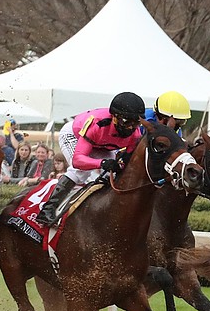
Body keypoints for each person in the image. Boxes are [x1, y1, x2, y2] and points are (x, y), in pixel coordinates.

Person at [37, 91, 145, 226]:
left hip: (102, 145)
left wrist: (119, 164)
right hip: (74, 136)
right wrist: (102, 162)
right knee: (80, 172)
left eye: (135, 124)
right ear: (115, 117)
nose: (130, 127)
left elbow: (125, 161)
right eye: (127, 122)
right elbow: (78, 160)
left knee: (113, 175)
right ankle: (47, 210)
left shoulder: (135, 135)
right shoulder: (97, 124)